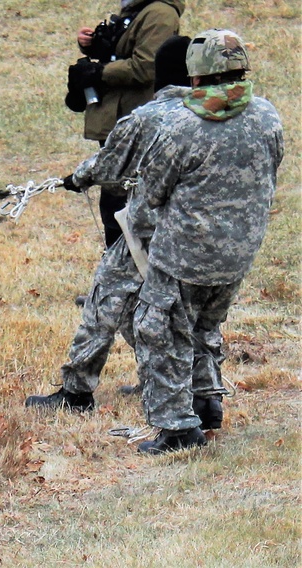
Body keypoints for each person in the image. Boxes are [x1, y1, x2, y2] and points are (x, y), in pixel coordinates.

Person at [28, 35, 216, 415]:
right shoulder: (215, 115)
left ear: (159, 76)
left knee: (105, 299)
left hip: (149, 230)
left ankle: (77, 391)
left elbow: (107, 167)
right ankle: (207, 396)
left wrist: (75, 179)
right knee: (197, 319)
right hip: (201, 235)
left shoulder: (148, 117)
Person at [131, 29, 283, 454]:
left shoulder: (182, 124)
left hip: (183, 256)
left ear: (195, 75)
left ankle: (178, 429)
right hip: (238, 255)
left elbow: (150, 194)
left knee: (160, 331)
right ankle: (207, 401)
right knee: (206, 327)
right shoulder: (268, 115)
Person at [65, 0, 184, 249]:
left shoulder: (159, 14)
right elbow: (127, 52)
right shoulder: (140, 8)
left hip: (136, 122)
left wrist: (100, 72)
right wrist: (97, 47)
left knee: (124, 207)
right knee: (114, 202)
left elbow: (146, 67)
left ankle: (125, 279)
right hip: (122, 119)